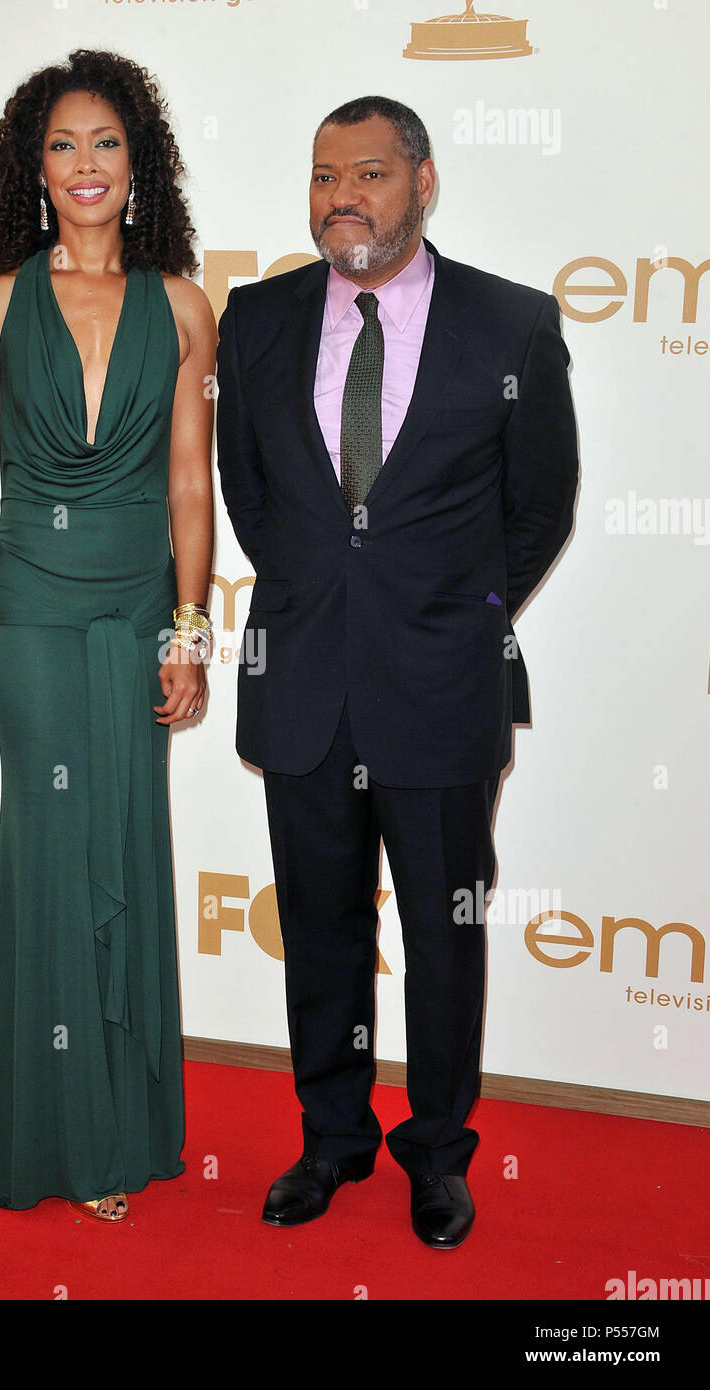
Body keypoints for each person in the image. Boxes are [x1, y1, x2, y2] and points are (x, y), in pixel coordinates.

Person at [215, 96, 578, 1248]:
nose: (341, 197)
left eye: (367, 173)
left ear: (423, 181)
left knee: (442, 930)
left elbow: (540, 507)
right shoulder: (259, 317)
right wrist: (325, 597)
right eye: (323, 175)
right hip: (305, 683)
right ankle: (331, 1139)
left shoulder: (510, 324)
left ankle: (436, 1150)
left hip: (441, 687)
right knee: (319, 927)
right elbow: (252, 494)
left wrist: (451, 615)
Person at [0, 49, 216, 1222]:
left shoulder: (186, 305)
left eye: (105, 144)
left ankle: (123, 1124)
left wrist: (190, 628)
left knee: (128, 839)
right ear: (30, 170)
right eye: (62, 146)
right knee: (51, 852)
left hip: (139, 605)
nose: (85, 166)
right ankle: (63, 1134)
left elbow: (191, 488)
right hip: (32, 607)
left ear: (137, 163)